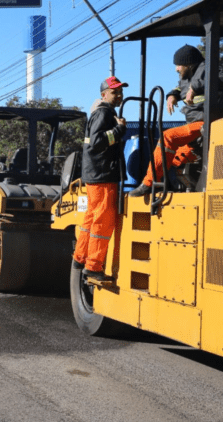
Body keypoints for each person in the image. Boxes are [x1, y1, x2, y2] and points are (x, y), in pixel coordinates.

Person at [130, 44, 223, 196]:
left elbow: (219, 79)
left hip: (209, 123)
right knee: (178, 158)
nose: (176, 69)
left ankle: (148, 183)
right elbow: (180, 88)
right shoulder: (187, 77)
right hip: (196, 127)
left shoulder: (211, 68)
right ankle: (189, 188)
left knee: (168, 137)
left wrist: (196, 87)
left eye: (179, 65)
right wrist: (172, 95)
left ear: (189, 63)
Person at [74, 76, 128, 281]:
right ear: (104, 94)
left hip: (96, 174)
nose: (119, 95)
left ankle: (79, 258)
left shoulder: (99, 113)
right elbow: (97, 142)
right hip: (103, 175)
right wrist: (119, 130)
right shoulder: (104, 113)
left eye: (120, 91)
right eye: (115, 92)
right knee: (103, 221)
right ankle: (94, 267)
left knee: (91, 218)